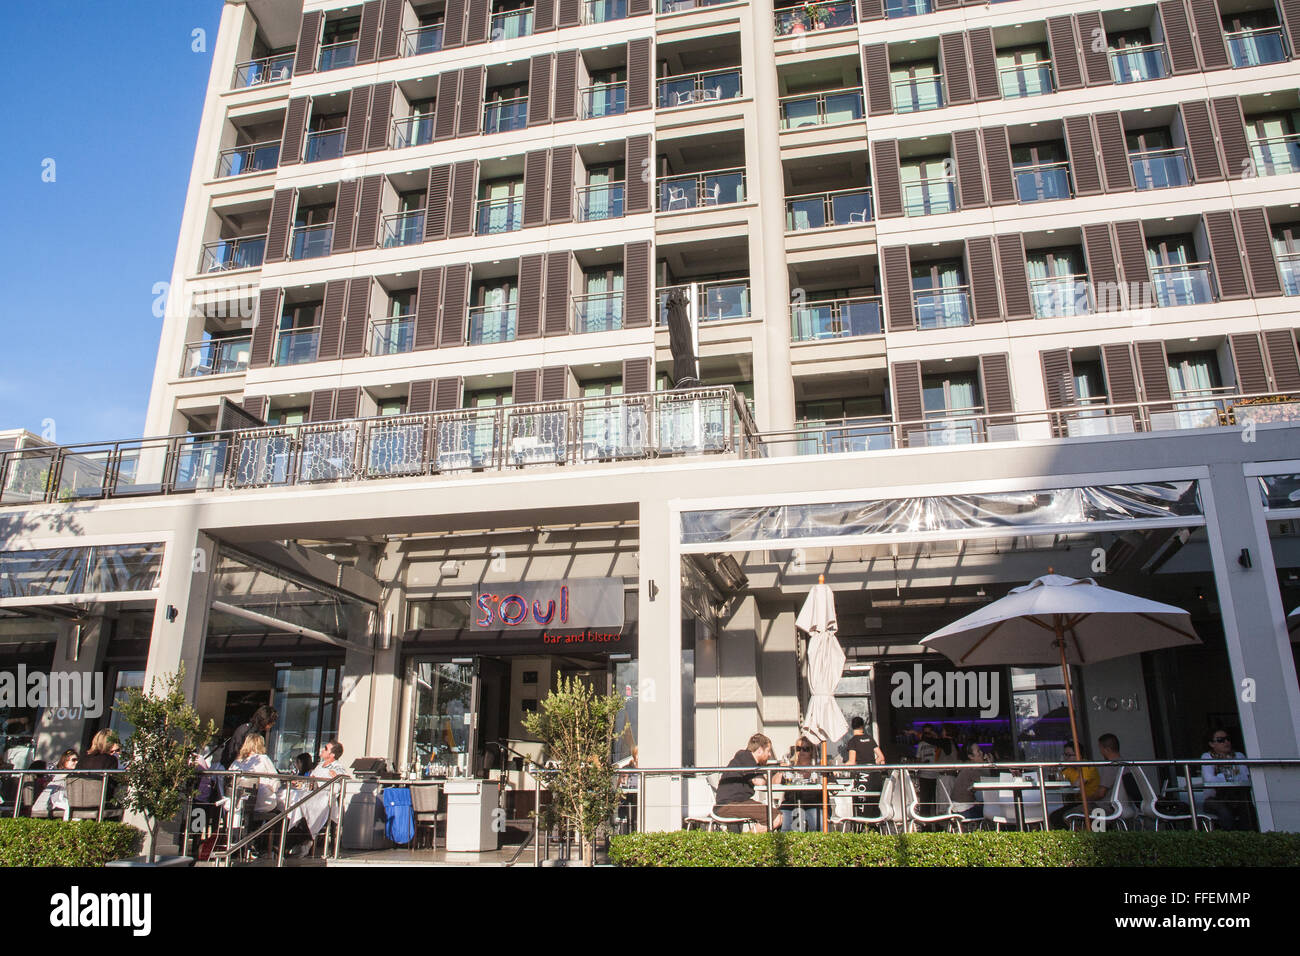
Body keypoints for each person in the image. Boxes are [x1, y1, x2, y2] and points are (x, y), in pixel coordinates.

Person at [286, 739, 348, 857]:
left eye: (326, 749)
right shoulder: (319, 766)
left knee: (302, 805)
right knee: (293, 800)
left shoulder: (337, 767)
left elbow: (337, 786)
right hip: (309, 795)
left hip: (322, 799)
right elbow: (310, 781)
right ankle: (297, 840)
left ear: (332, 754)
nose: (322, 750)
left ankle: (304, 840)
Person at [714, 733, 781, 832]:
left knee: (776, 816)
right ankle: (746, 842)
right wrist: (767, 775)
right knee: (775, 817)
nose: (769, 755)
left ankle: (746, 842)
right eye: (768, 751)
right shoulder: (746, 757)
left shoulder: (747, 760)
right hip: (729, 805)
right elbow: (759, 782)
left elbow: (765, 781)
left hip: (735, 803)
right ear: (759, 751)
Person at [1201, 729, 1251, 830]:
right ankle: (1230, 838)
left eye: (1228, 739)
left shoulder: (1238, 756)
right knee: (1224, 810)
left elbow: (1245, 777)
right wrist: (1228, 777)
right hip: (1214, 799)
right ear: (1211, 744)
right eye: (1220, 740)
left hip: (1236, 797)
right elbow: (1209, 780)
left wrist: (1222, 777)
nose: (1226, 742)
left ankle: (1249, 836)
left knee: (1247, 807)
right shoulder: (1207, 757)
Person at [1048, 741, 1105, 829]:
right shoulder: (1068, 768)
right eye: (1064, 755)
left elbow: (1078, 784)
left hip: (1092, 802)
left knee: (1057, 817)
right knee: (1055, 816)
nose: (1065, 758)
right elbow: (1058, 781)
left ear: (1078, 755)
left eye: (1069, 755)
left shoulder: (1087, 766)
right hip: (1078, 802)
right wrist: (1056, 771)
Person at [779, 736, 824, 832]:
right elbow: (773, 783)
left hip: (814, 804)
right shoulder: (790, 768)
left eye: (806, 749)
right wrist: (780, 770)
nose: (802, 752)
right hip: (790, 805)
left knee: (818, 822)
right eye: (799, 749)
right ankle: (785, 846)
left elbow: (832, 784)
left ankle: (818, 845)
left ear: (812, 751)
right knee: (783, 823)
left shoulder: (819, 768)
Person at [220, 705, 279, 769]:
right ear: (266, 721)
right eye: (272, 722)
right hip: (238, 767)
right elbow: (235, 753)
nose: (273, 724)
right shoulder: (246, 731)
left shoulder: (255, 732)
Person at [31, 750, 79, 819]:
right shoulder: (61, 774)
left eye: (77, 760)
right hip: (55, 800)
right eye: (73, 760)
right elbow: (50, 792)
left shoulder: (72, 775)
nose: (76, 762)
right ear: (65, 761)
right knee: (69, 805)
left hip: (67, 799)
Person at [949, 743, 989, 823]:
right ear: (971, 757)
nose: (981, 753)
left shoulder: (968, 767)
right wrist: (988, 765)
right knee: (991, 811)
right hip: (964, 811)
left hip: (957, 809)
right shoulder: (973, 769)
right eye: (978, 751)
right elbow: (987, 783)